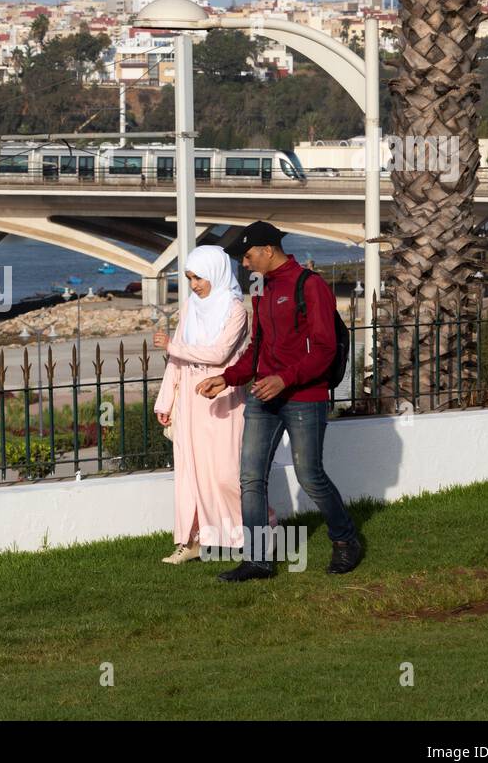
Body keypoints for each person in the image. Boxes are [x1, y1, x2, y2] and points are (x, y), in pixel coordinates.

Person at [196, 221, 363, 581]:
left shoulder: (311, 286)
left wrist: (284, 378)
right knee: (251, 477)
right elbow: (257, 348)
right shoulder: (262, 290)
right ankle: (257, 560)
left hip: (304, 397)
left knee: (310, 476)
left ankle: (346, 539)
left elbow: (324, 348)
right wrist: (227, 378)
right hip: (263, 398)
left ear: (268, 250)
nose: (244, 263)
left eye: (248, 254)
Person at [152, 245, 250, 564]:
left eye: (199, 278)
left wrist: (173, 345)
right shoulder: (190, 308)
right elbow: (176, 363)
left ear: (216, 273)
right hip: (191, 404)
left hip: (224, 399)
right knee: (190, 475)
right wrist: (166, 401)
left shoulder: (235, 310)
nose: (194, 285)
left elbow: (220, 354)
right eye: (190, 278)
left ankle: (259, 529)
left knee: (226, 474)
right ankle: (192, 541)